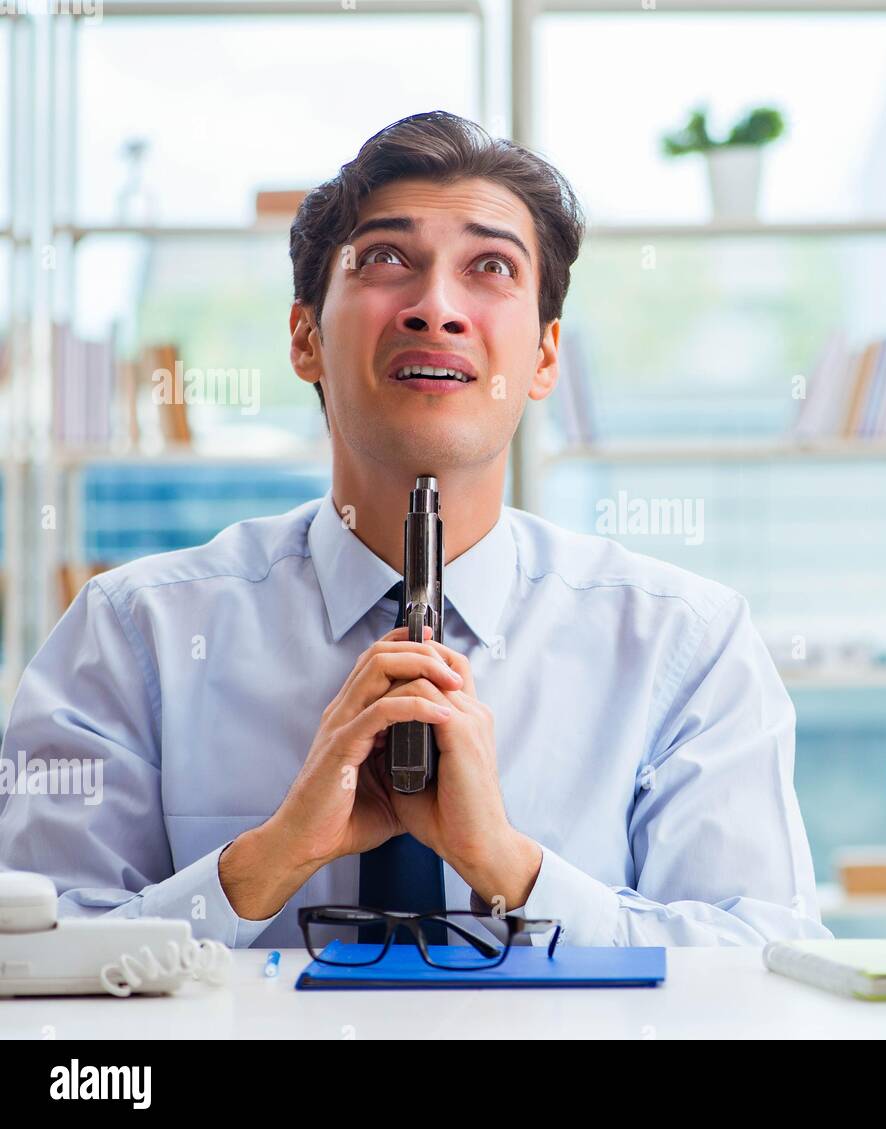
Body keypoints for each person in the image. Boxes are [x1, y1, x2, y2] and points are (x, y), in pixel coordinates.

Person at [0, 111, 829, 948]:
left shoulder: (684, 644)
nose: (436, 308)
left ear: (545, 357)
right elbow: (30, 965)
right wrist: (263, 864)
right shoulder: (130, 634)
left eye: (491, 267)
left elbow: (768, 967)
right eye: (387, 259)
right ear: (305, 337)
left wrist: (511, 869)